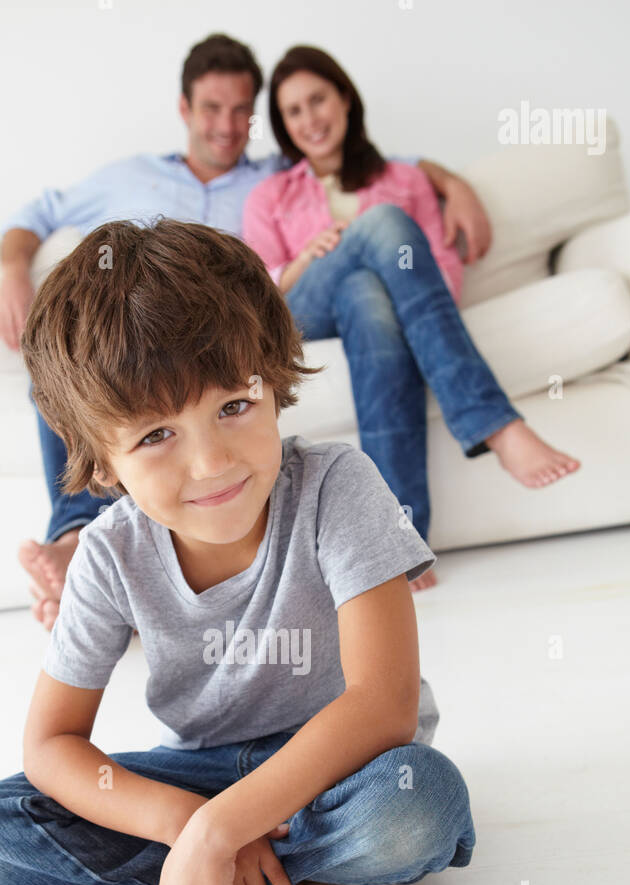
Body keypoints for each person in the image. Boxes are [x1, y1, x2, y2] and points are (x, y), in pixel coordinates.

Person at [0, 218, 476, 885]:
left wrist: (228, 826)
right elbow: (52, 748)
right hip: (198, 776)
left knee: (419, 804)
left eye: (234, 405)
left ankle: (227, 877)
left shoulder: (339, 487)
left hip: (341, 771)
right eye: (157, 434)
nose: (211, 461)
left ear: (272, 380)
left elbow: (384, 704)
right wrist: (189, 822)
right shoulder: (108, 553)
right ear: (101, 457)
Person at [0, 32, 495, 626]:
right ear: (185, 109)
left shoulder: (275, 180)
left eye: (240, 111)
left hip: (221, 336)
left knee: (355, 295)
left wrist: (455, 184)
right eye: (212, 108)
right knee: (63, 372)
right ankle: (76, 535)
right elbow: (34, 216)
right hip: (136, 338)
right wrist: (12, 270)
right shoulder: (127, 176)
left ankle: (393, 535)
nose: (226, 125)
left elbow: (372, 161)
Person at [243, 47, 581, 589]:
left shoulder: (405, 178)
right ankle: (496, 424)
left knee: (367, 296)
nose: (310, 119)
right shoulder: (269, 195)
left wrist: (397, 269)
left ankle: (398, 537)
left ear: (345, 99)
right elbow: (261, 291)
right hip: (303, 305)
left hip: (370, 307)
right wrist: (310, 254)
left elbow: (440, 273)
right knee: (379, 227)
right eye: (294, 111)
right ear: (283, 126)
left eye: (318, 100)